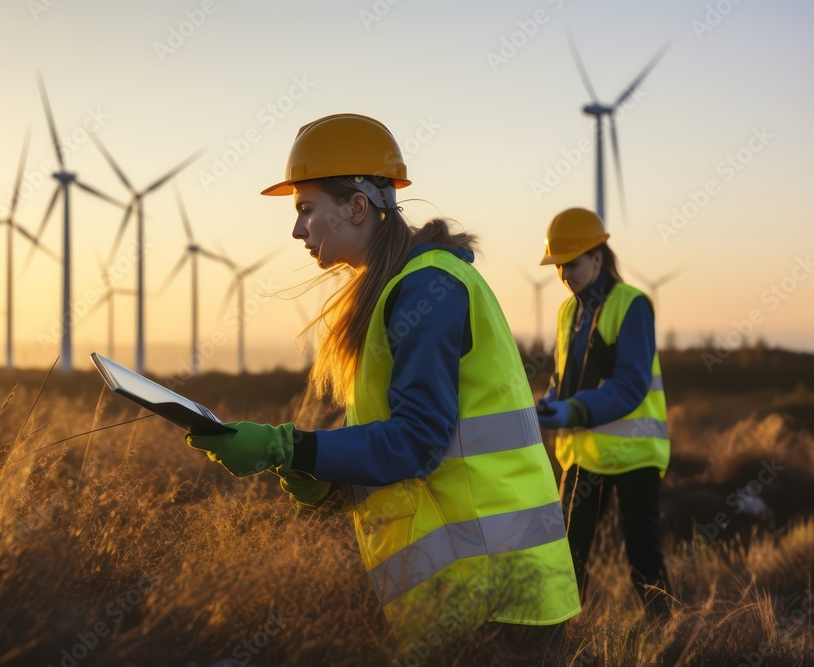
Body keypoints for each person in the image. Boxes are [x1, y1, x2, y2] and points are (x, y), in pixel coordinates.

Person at [185, 113, 580, 659]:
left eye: (305, 209)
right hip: (469, 582)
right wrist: (317, 474)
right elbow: (394, 435)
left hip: (495, 587)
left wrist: (287, 444)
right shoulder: (402, 289)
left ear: (356, 206)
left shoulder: (428, 289)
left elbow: (417, 441)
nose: (297, 230)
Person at [535, 207, 672, 614]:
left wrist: (572, 412)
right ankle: (562, 642)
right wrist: (552, 400)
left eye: (571, 264)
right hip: (583, 456)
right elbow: (567, 376)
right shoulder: (567, 311)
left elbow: (630, 385)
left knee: (643, 559)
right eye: (558, 267)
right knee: (566, 559)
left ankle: (669, 637)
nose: (563, 276)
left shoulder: (632, 306)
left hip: (634, 455)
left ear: (598, 257)